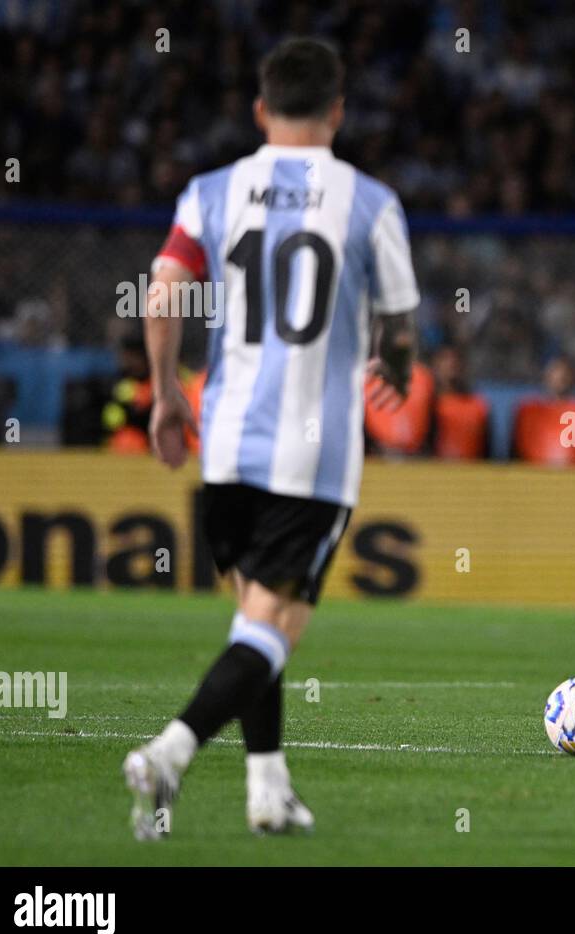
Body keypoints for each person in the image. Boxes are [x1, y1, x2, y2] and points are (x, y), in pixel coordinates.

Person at [125, 38, 420, 840]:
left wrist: (163, 399)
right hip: (312, 455)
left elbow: (163, 294)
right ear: (338, 111)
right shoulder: (370, 202)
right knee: (275, 624)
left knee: (255, 620)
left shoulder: (210, 191)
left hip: (225, 443)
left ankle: (267, 789)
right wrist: (397, 361)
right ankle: (170, 752)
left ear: (260, 110)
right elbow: (398, 329)